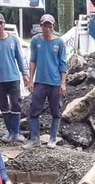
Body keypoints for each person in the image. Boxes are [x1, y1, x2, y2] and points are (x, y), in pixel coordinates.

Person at [0, 12, 28, 143]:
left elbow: (19, 57)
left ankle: (17, 132)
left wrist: (24, 74)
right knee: (3, 105)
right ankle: (10, 132)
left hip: (13, 77)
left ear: (4, 24)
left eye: (1, 23)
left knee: (16, 104)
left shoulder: (13, 39)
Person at [24, 13, 68, 150]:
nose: (47, 28)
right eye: (44, 25)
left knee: (56, 111)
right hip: (40, 82)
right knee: (34, 109)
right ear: (41, 26)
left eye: (49, 26)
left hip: (55, 82)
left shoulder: (59, 43)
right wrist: (30, 80)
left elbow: (63, 64)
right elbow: (33, 60)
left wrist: (63, 83)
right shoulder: (36, 41)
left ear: (53, 27)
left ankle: (53, 138)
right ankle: (34, 139)